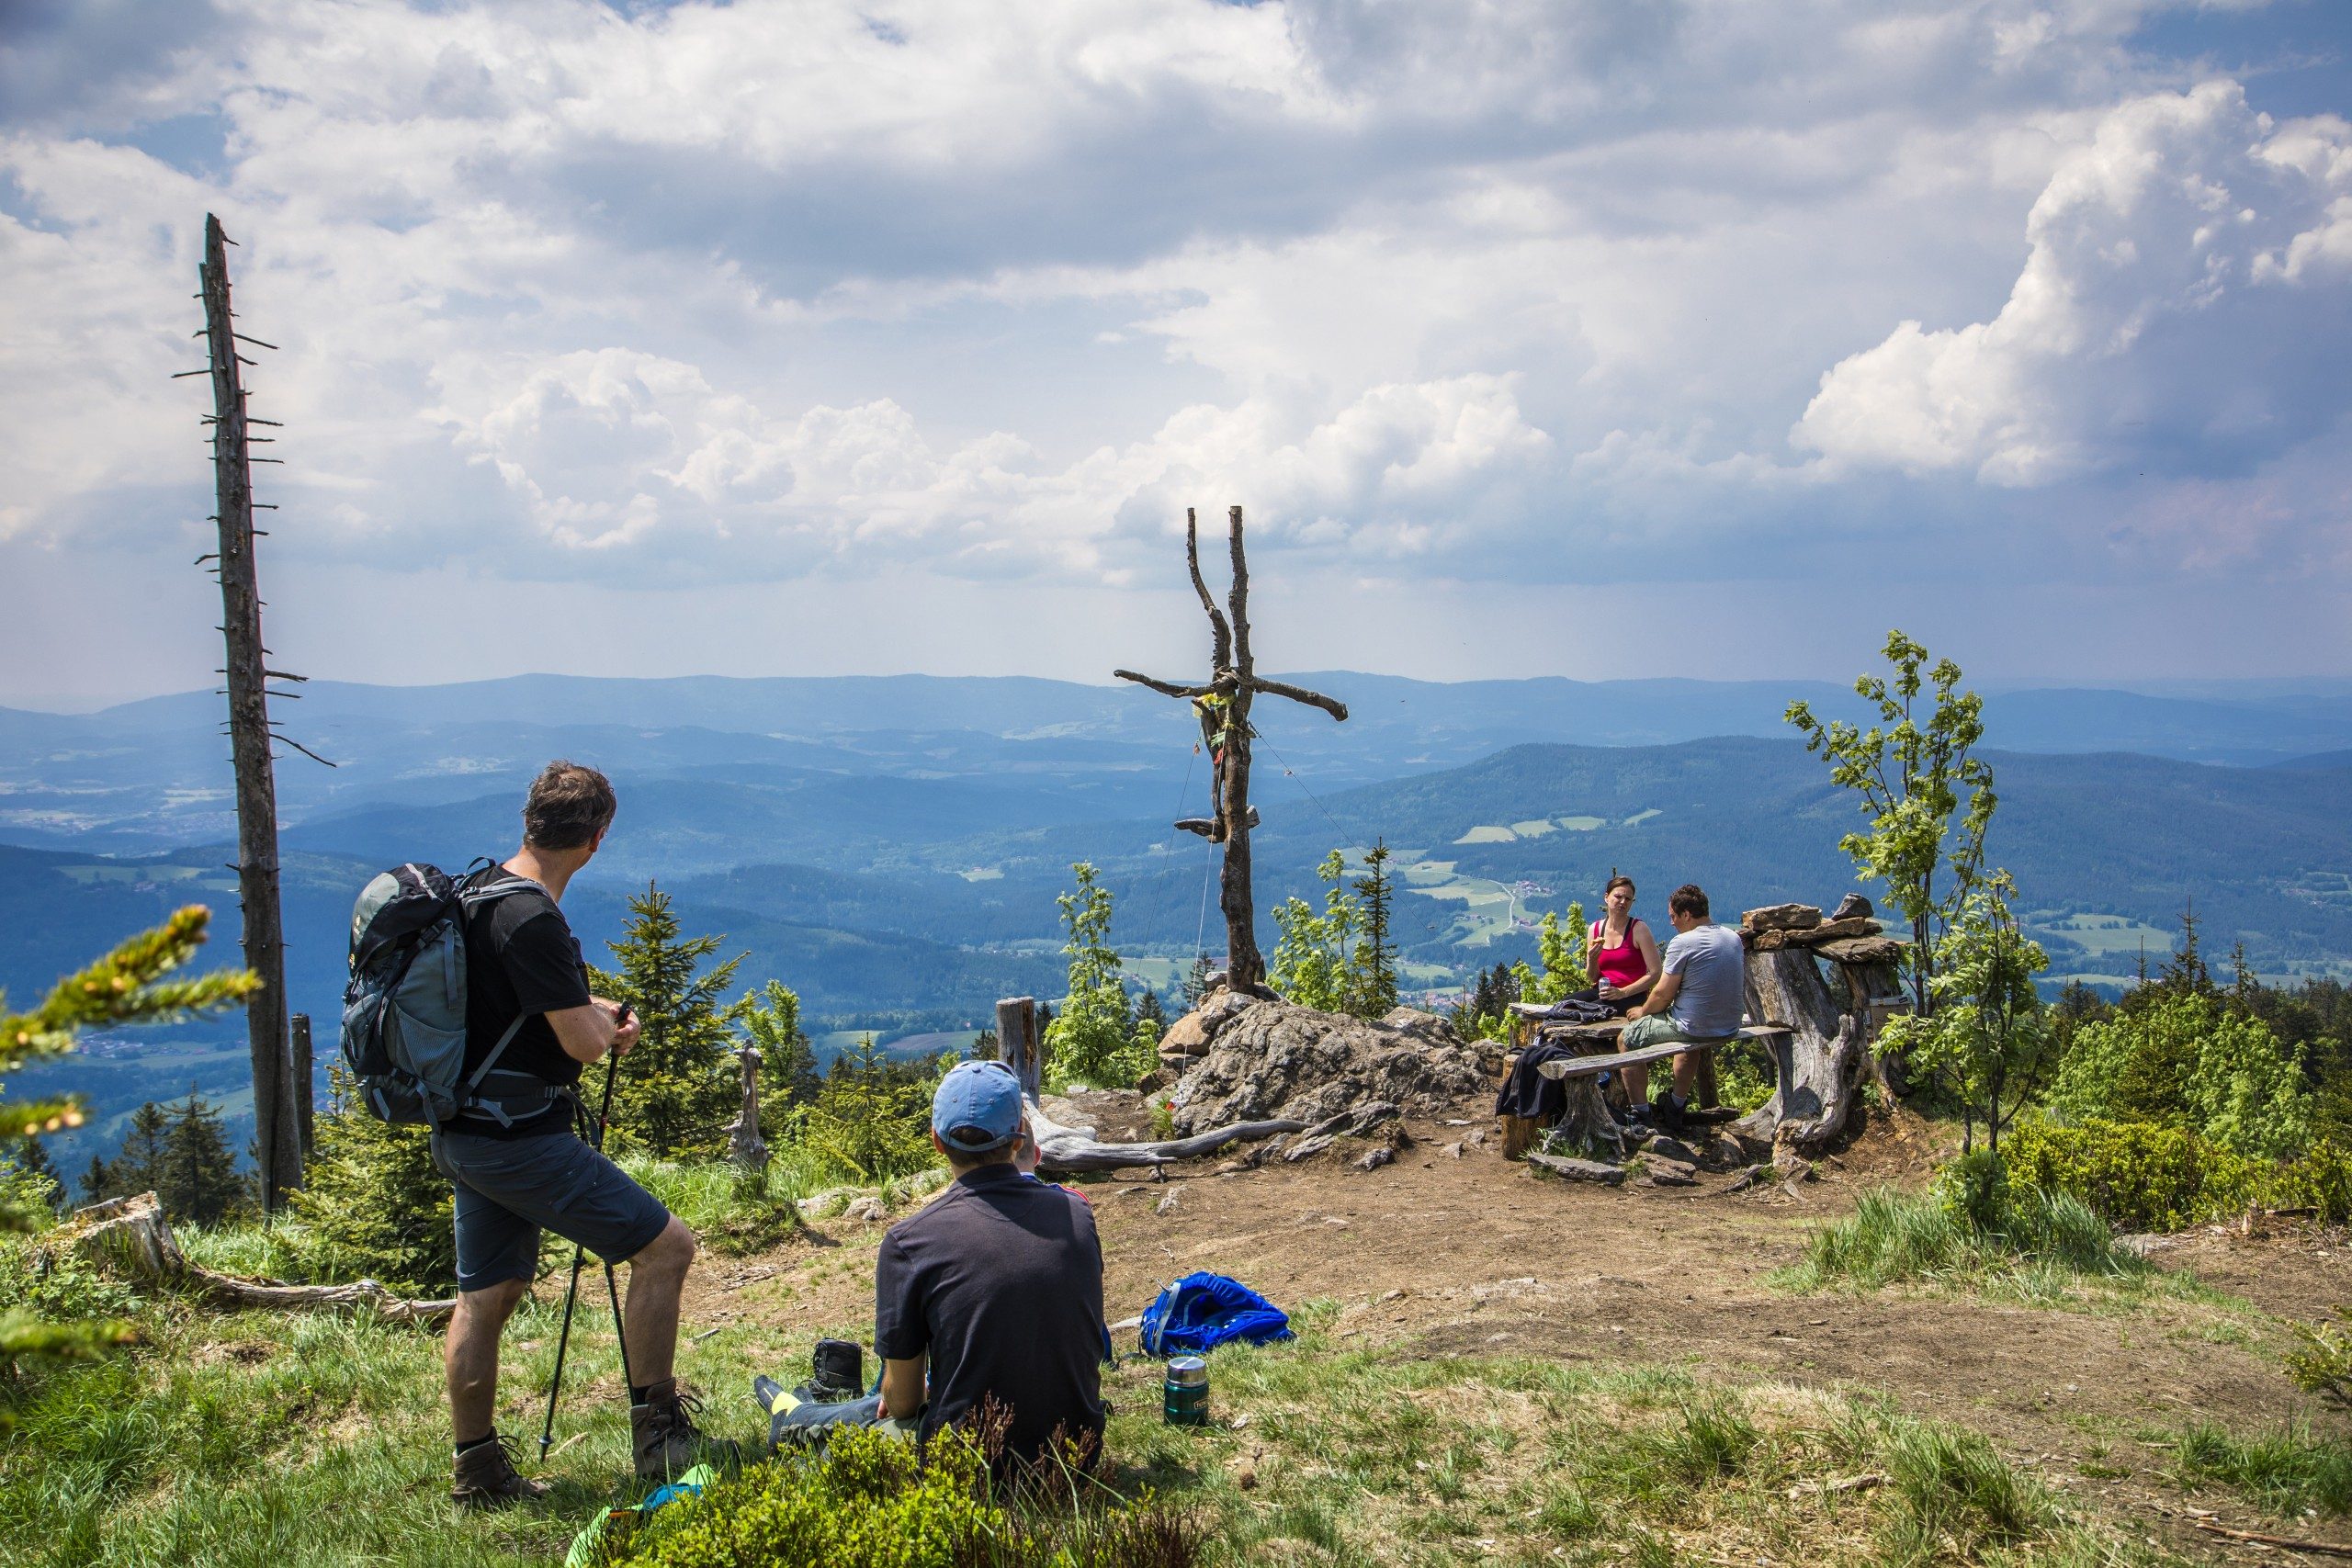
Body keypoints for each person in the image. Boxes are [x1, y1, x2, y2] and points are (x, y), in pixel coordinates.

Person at [435, 761, 722, 1506]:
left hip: (465, 1131)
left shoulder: (476, 893)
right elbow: (581, 1043)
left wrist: (596, 1005)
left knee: (486, 1292)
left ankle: (477, 1473)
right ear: (597, 839)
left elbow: (514, 1004)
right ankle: (659, 1438)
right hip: (521, 1137)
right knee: (667, 1248)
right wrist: (605, 1026)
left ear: (528, 819)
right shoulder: (536, 917)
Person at [759, 1061, 1107, 1468]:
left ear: (937, 1141)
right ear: (1018, 1139)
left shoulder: (910, 1242)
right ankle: (797, 1414)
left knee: (864, 1431)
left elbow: (903, 1402)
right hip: (1076, 1454)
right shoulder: (1076, 1215)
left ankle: (795, 1420)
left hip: (966, 1466)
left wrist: (901, 1393)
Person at [1617, 883, 1746, 1128]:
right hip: (1730, 1025)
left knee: (1626, 1039)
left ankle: (1641, 1114)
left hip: (1695, 1026)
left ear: (1686, 914)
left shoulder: (1683, 942)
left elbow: (1663, 994)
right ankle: (1676, 1106)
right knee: (1690, 1042)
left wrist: (1642, 1012)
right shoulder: (1733, 937)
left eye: (1673, 917)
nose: (1672, 923)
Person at [1577, 874, 1661, 1016]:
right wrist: (1592, 960)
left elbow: (1656, 973)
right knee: (1564, 1007)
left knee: (1588, 1013)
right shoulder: (1595, 929)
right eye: (1618, 896)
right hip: (1603, 992)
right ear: (1606, 897)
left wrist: (1623, 992)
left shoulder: (1638, 929)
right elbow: (1592, 977)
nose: (1623, 902)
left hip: (1631, 995)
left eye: (1628, 899)